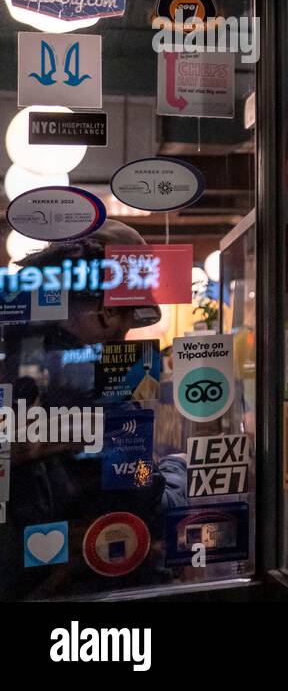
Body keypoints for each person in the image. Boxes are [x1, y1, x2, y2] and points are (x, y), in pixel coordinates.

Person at [0, 221, 187, 599]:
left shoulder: (15, 365)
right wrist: (181, 469)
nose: (128, 334)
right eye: (128, 318)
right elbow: (143, 505)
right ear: (105, 313)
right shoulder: (94, 382)